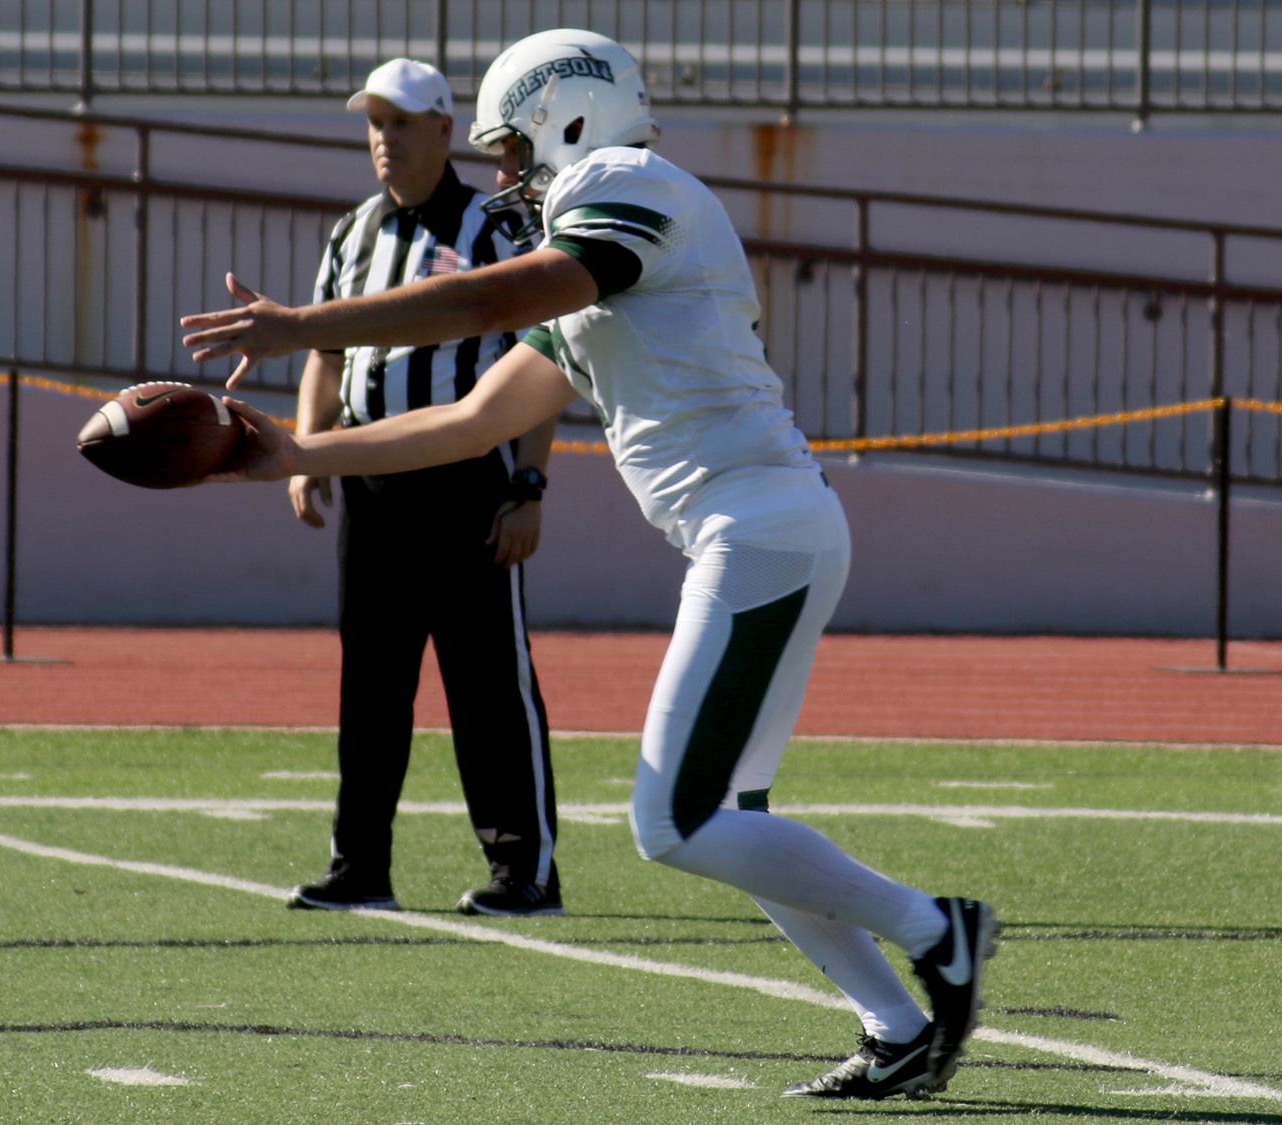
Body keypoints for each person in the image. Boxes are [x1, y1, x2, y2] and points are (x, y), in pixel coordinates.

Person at [179, 28, 999, 1101]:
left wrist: (301, 325)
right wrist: (297, 451)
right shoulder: (595, 270)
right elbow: (470, 422)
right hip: (751, 532)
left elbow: (481, 304)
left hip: (758, 529)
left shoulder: (630, 184)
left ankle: (934, 930)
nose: (506, 174)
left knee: (674, 825)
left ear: (571, 114)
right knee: (728, 820)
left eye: (513, 147)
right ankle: (893, 1025)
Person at [281, 57, 565, 919]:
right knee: (371, 682)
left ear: (446, 131)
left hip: (466, 484)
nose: (384, 139)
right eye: (374, 122)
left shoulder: (494, 227)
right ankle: (360, 863)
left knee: (487, 684)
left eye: (402, 123)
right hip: (371, 485)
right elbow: (325, 353)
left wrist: (528, 483)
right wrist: (306, 450)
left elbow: (546, 353)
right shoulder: (351, 231)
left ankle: (526, 871)